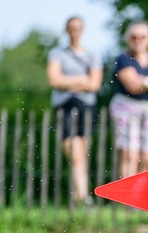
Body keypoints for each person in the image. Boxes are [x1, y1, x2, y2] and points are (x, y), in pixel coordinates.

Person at [46, 16, 102, 208]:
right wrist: (81, 80)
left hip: (87, 108)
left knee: (82, 156)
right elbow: (54, 80)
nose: (74, 32)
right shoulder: (57, 53)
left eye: (78, 28)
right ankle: (83, 198)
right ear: (66, 30)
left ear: (82, 30)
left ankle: (78, 197)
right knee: (75, 155)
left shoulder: (92, 55)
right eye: (71, 28)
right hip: (66, 107)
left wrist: (68, 81)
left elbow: (95, 84)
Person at [110, 21, 148, 178]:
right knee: (130, 153)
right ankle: (129, 199)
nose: (138, 39)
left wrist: (143, 81)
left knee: (147, 155)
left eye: (142, 36)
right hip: (127, 108)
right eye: (133, 36)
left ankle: (138, 195)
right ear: (127, 39)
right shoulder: (123, 58)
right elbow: (131, 86)